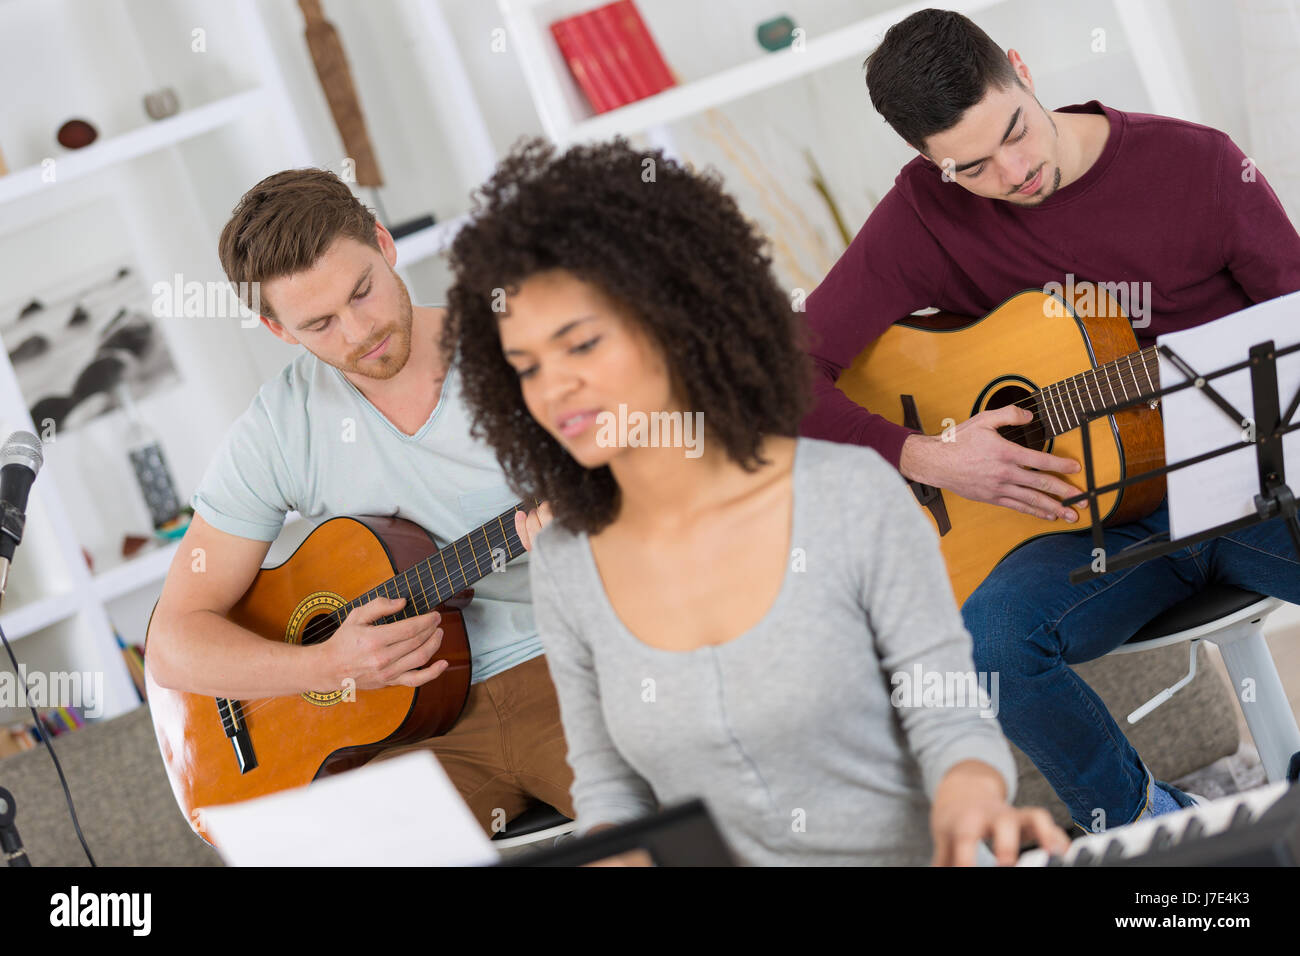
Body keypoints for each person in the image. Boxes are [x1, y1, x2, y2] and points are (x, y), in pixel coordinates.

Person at [441, 137, 1070, 865]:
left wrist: (970, 801)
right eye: (526, 367)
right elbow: (612, 790)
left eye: (581, 346)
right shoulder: (564, 562)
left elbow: (948, 714)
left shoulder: (846, 496)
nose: (554, 389)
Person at [801, 8, 1300, 832]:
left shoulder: (1197, 163)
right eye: (973, 166)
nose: (1015, 170)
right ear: (928, 163)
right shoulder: (925, 214)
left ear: (1025, 72)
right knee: (986, 649)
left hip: (1256, 491)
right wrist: (927, 455)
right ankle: (1149, 831)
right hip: (1098, 524)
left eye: (1016, 132)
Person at [147, 168, 572, 836]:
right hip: (411, 732)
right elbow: (173, 643)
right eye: (319, 323)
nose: (358, 332)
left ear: (383, 241)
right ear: (278, 330)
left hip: (571, 671)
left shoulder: (522, 341)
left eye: (363, 291)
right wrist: (324, 665)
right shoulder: (281, 426)